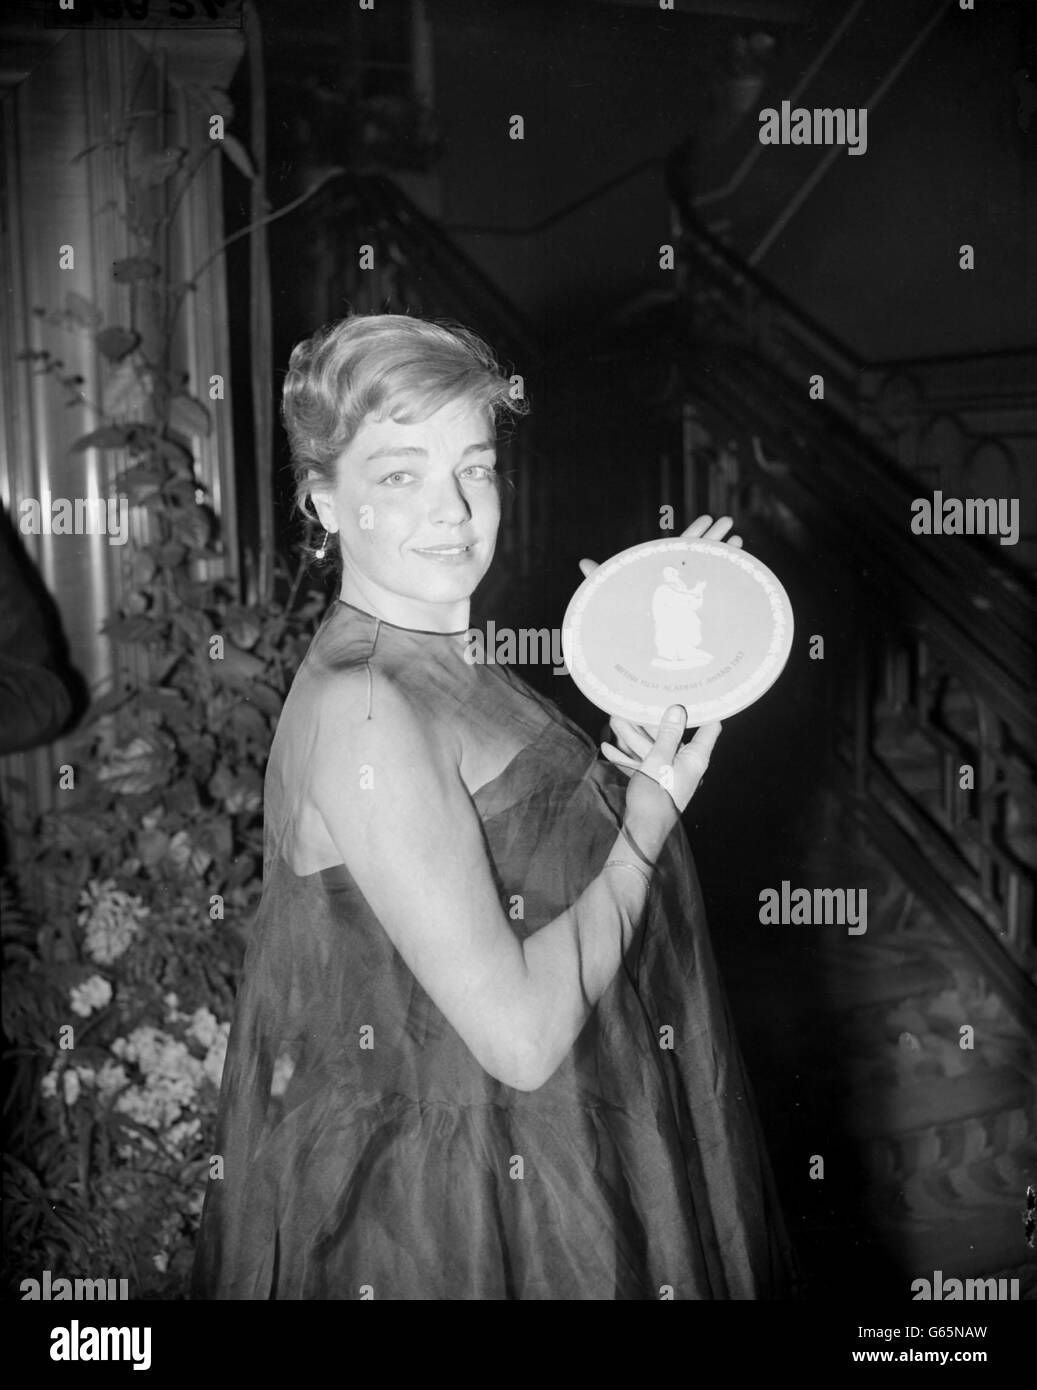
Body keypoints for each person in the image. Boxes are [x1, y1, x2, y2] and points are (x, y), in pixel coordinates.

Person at [192, 312, 794, 1300]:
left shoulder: (433, 653)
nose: (453, 511)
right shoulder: (368, 706)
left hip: (537, 1139)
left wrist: (650, 637)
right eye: (399, 474)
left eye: (472, 466)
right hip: (451, 1210)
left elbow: (528, 838)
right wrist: (649, 812)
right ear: (323, 499)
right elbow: (517, 1035)